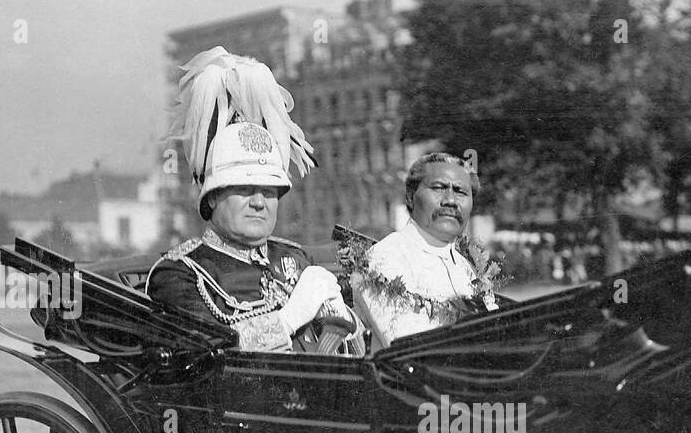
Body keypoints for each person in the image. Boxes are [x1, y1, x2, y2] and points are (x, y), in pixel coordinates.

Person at [148, 47, 363, 354]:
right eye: (245, 189)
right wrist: (287, 321)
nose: (260, 202)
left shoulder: (296, 260)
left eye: (270, 190)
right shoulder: (180, 274)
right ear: (213, 196)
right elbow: (206, 355)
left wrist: (347, 321)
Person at [353, 152, 492, 349]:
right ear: (410, 197)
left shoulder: (464, 267)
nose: (450, 200)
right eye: (438, 188)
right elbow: (409, 351)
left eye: (460, 191)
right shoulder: (386, 257)